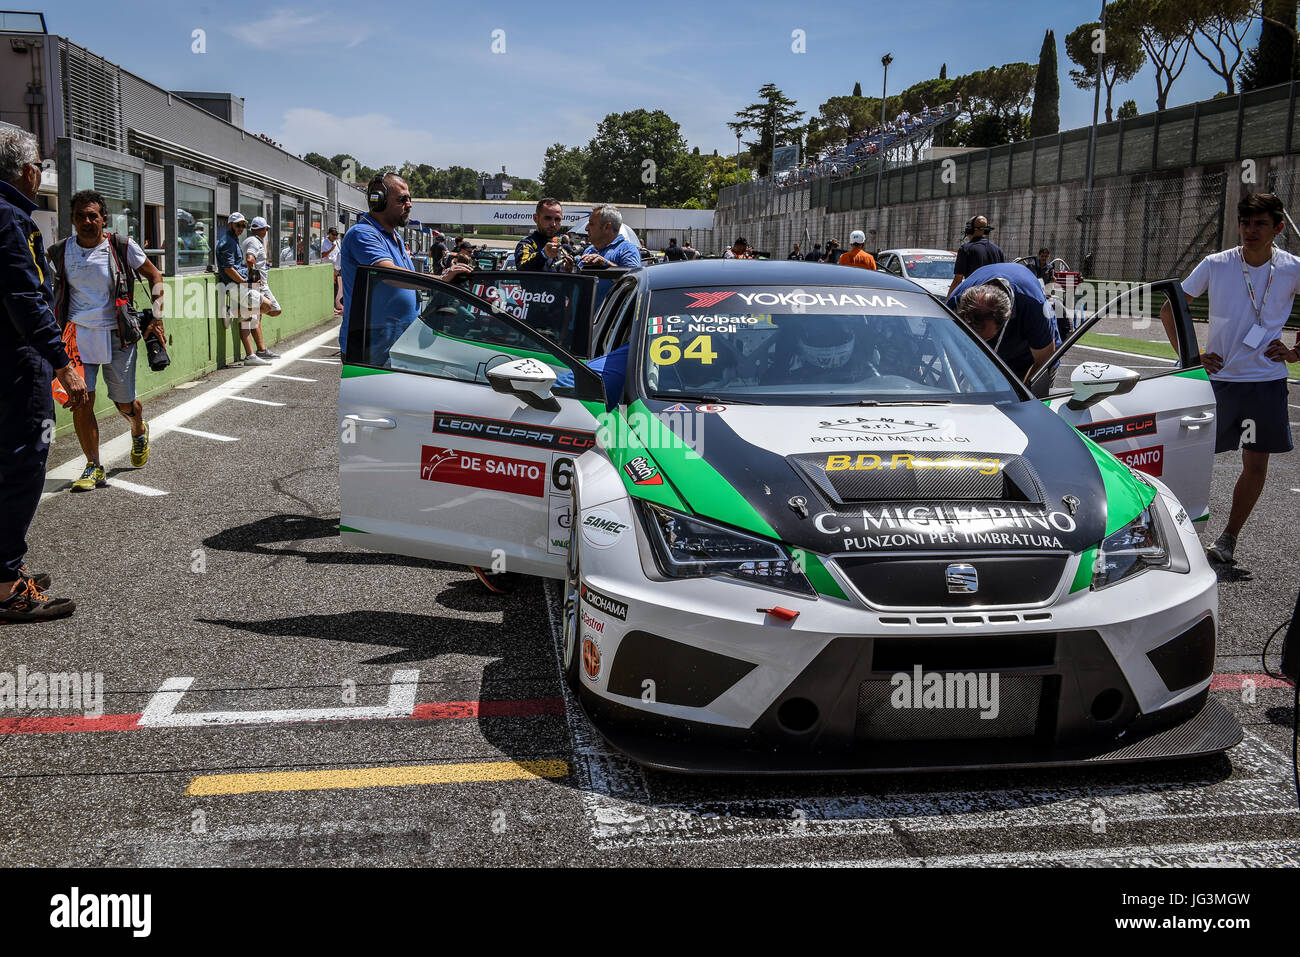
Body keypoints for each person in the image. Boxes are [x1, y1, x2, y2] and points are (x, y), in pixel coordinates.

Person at [1159, 191, 1300, 564]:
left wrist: (1296, 352)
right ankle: (1171, 533)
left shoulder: (1292, 267)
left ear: (1278, 228)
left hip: (1264, 385)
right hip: (1218, 385)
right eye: (1245, 223)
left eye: (1259, 224)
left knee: (1255, 463)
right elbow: (1170, 309)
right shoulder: (1216, 263)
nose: (1250, 230)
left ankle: (1228, 538)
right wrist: (1192, 356)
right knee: (1190, 459)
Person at [0, 128, 87, 621]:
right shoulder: (10, 219)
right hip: (14, 364)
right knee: (21, 464)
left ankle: (5, 567)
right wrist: (63, 363)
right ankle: (7, 584)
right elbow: (26, 299)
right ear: (28, 171)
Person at [47, 188, 166, 490]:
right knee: (82, 401)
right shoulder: (60, 251)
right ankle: (93, 465)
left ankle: (138, 429)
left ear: (103, 219)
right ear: (72, 220)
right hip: (75, 336)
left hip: (117, 334)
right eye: (80, 216)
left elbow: (155, 275)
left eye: (93, 216)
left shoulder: (121, 246)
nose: (87, 221)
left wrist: (157, 316)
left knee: (124, 403)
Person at [339, 171, 471, 358]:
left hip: (397, 344)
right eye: (402, 199)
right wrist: (441, 280)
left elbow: (408, 282)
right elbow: (390, 275)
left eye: (409, 199)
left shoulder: (395, 237)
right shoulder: (362, 234)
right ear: (379, 201)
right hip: (371, 349)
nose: (409, 205)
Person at [948, 261, 1061, 398]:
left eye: (986, 339)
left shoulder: (1033, 307)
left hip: (1029, 358)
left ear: (1006, 319)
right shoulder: (956, 302)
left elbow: (1043, 360)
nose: (982, 344)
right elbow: (945, 348)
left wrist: (1021, 398)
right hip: (985, 360)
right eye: (974, 339)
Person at [216, 213, 268, 365]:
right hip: (235, 285)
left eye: (243, 226)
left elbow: (235, 266)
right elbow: (228, 268)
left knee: (246, 318)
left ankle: (250, 355)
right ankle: (229, 312)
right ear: (230, 224)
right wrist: (244, 281)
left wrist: (248, 277)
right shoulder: (228, 242)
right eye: (238, 225)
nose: (241, 228)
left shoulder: (232, 240)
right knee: (267, 306)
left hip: (236, 284)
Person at [240, 215, 283, 360]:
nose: (266, 232)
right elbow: (249, 259)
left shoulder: (250, 240)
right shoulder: (253, 241)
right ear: (263, 230)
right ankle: (260, 349)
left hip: (255, 285)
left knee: (256, 316)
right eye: (265, 229)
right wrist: (255, 277)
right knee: (275, 309)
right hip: (257, 285)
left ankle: (261, 349)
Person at [947, 215, 1005, 296]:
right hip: (993, 297)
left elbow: (957, 280)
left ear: (970, 229)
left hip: (974, 297)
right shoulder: (998, 250)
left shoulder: (965, 249)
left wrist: (947, 301)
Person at [515, 198, 570, 272]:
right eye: (548, 218)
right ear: (535, 218)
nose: (553, 224)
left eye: (557, 219)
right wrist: (543, 254)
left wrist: (570, 271)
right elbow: (522, 269)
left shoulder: (563, 251)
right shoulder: (527, 244)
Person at [321, 225, 343, 314]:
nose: (335, 236)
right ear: (329, 234)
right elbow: (322, 255)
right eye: (333, 234)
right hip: (327, 268)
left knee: (335, 288)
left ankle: (334, 305)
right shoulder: (324, 242)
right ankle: (331, 307)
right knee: (330, 288)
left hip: (336, 268)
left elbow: (339, 255)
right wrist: (331, 249)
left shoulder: (337, 242)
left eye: (336, 235)